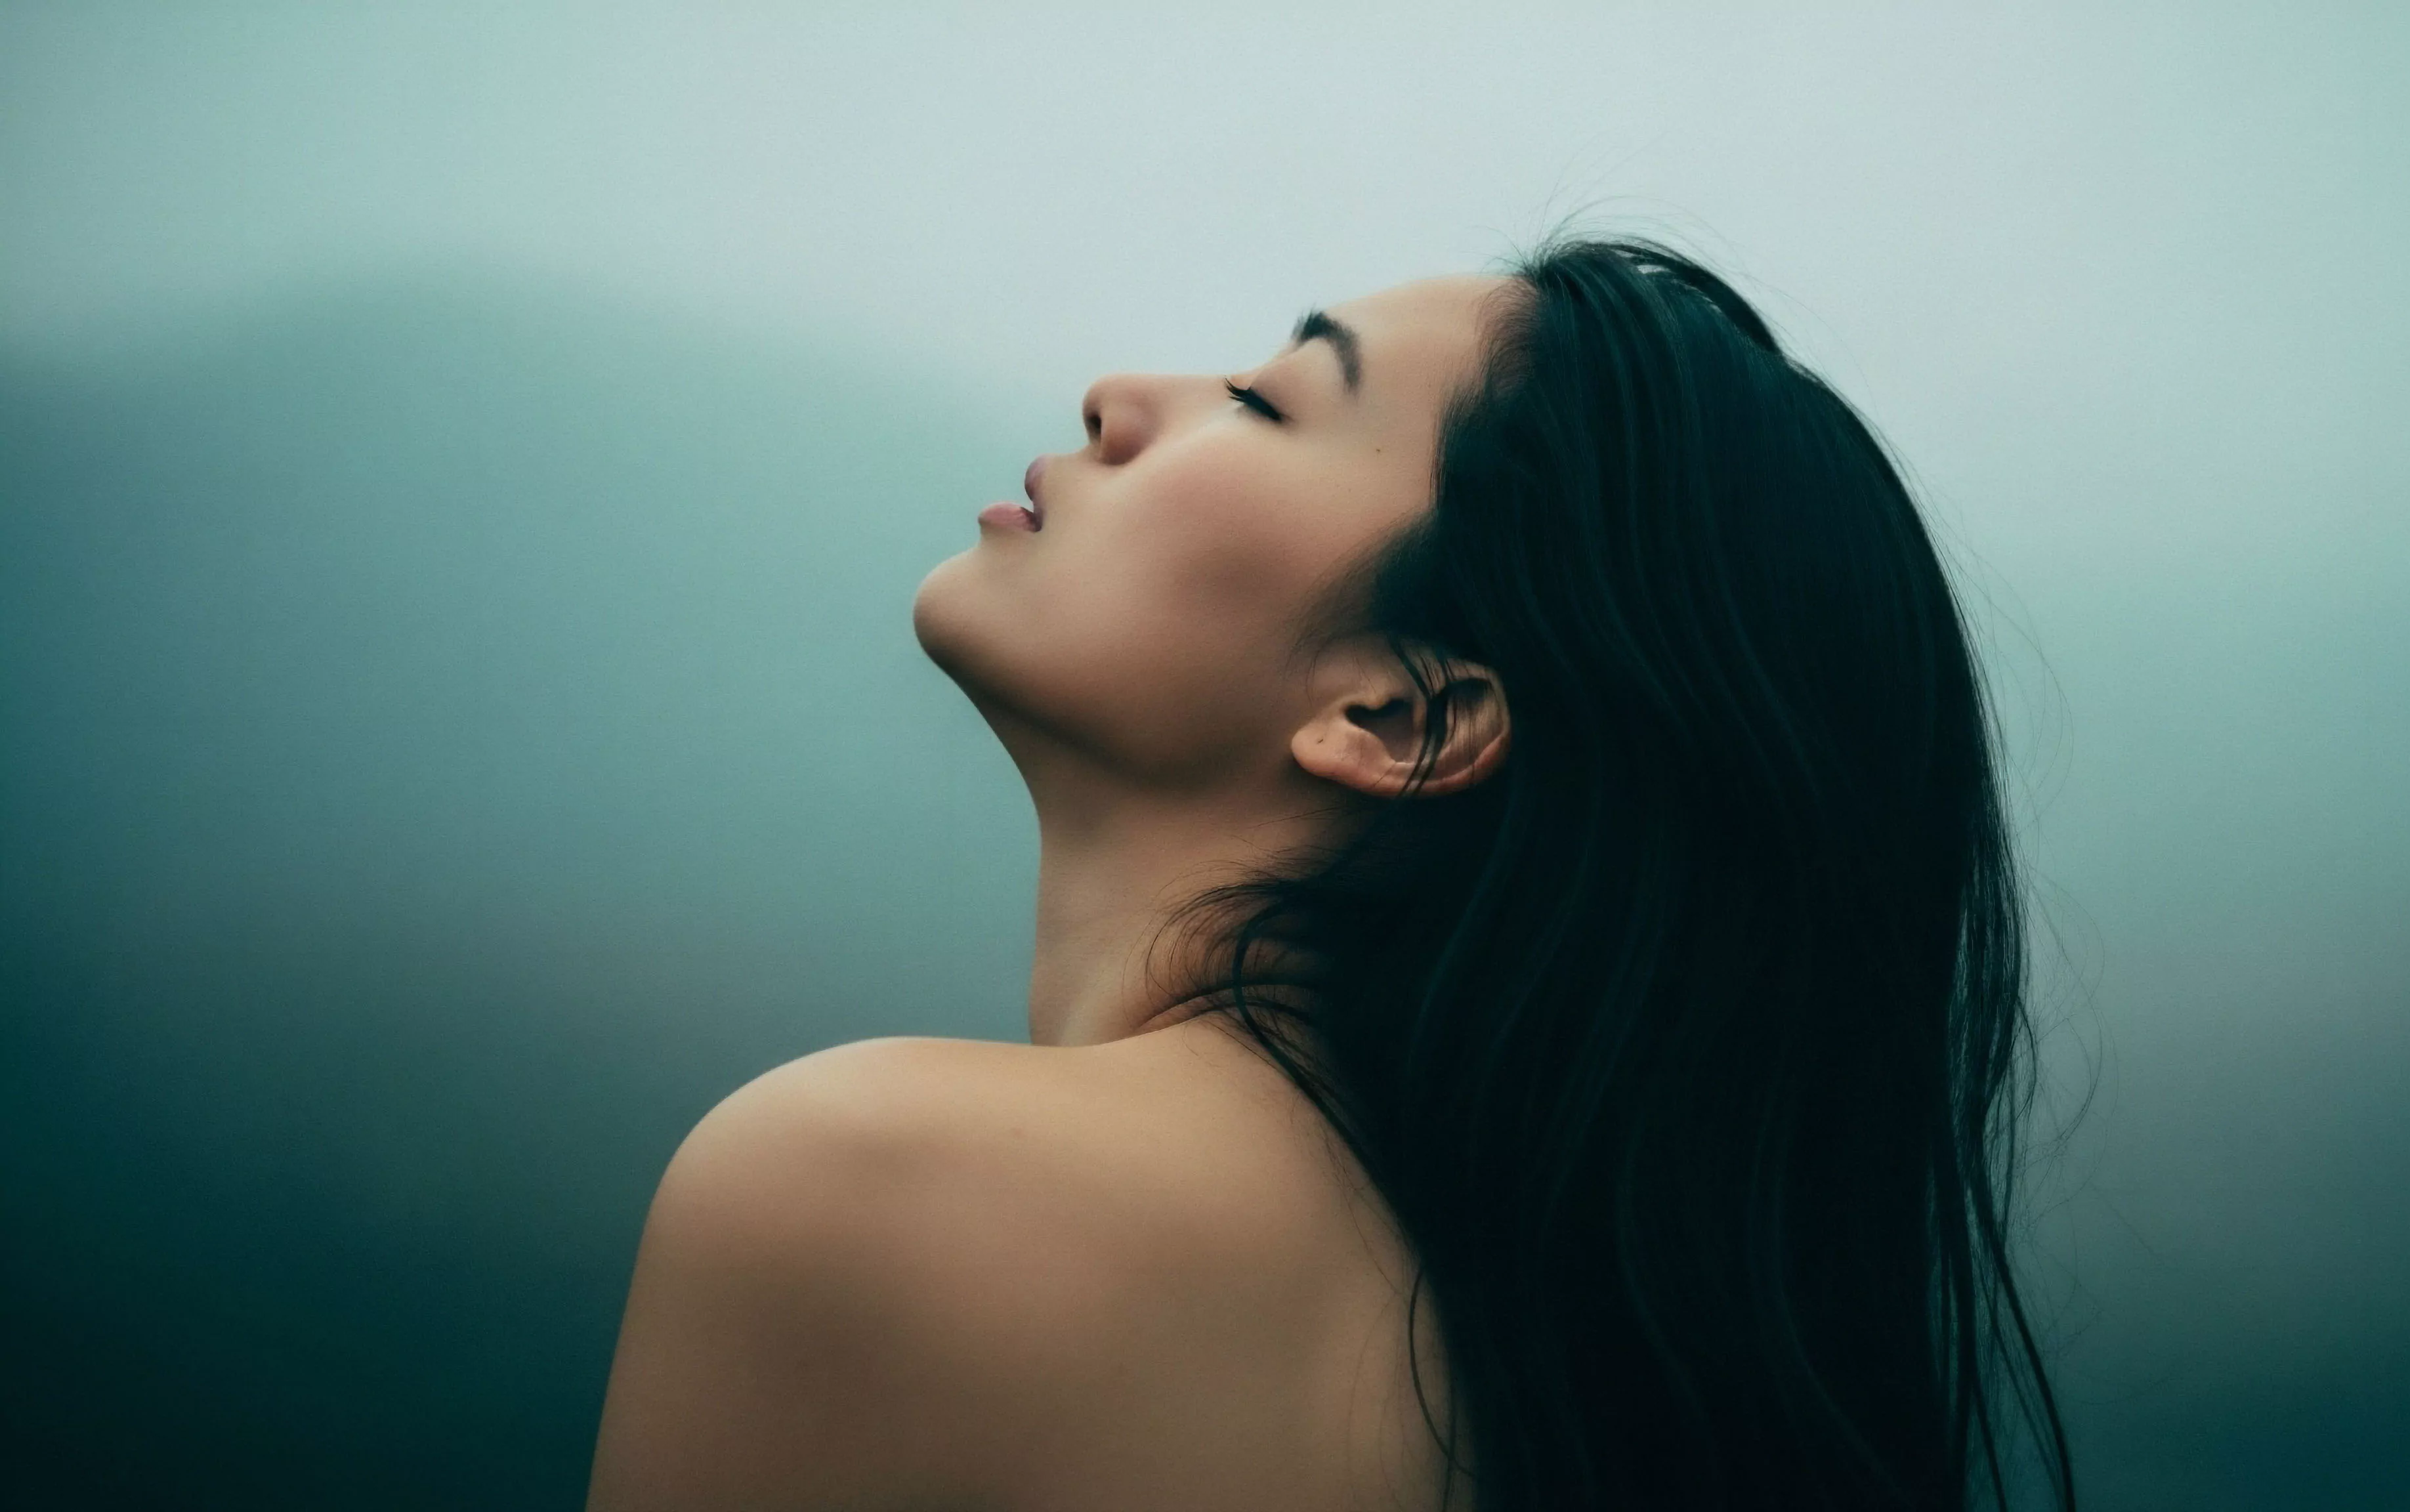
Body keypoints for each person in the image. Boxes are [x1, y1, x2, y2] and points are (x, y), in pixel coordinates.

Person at [586, 237, 2075, 1512]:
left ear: (1401, 717)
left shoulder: (865, 1193)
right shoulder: (1587, 1387)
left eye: (1263, 401)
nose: (1117, 398)